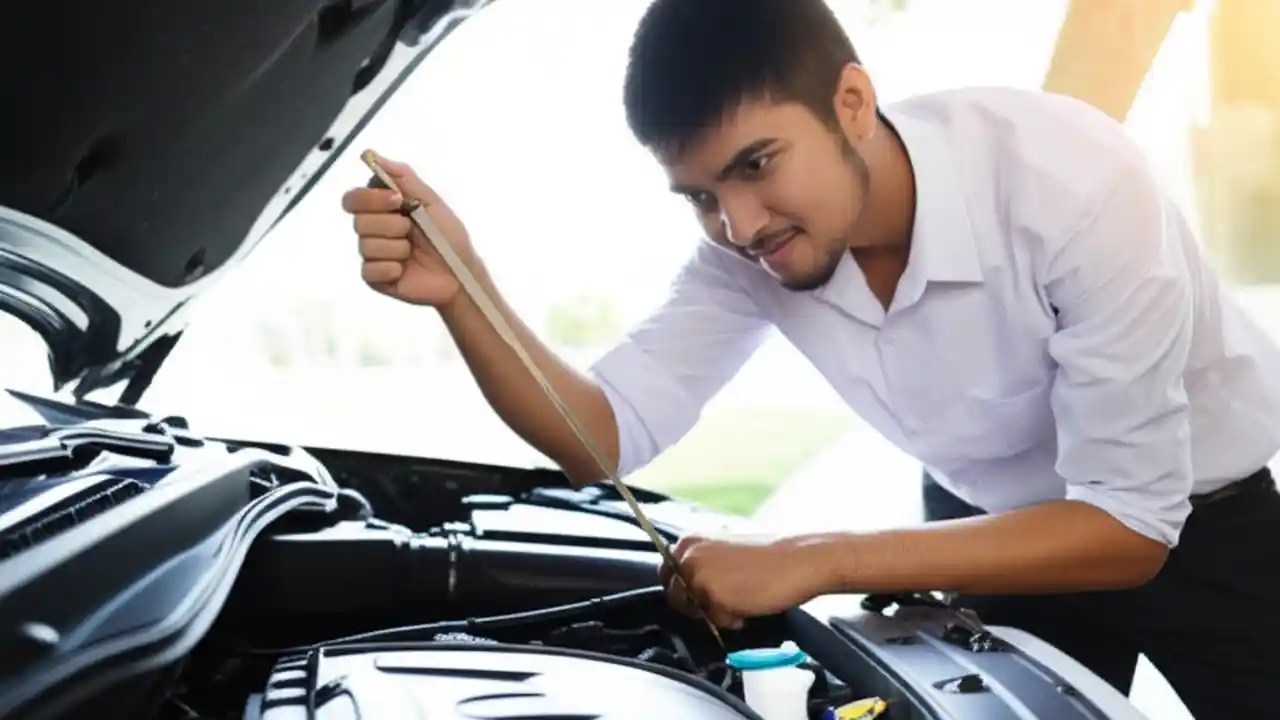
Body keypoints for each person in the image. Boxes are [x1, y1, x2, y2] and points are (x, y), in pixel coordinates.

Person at [340, 0, 1280, 714]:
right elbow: (602, 440)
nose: (737, 226)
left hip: (1201, 522)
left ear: (854, 103)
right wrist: (464, 294)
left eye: (756, 165)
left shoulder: (1073, 181)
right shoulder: (745, 249)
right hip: (983, 528)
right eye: (699, 195)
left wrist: (810, 558)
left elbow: (1128, 528)